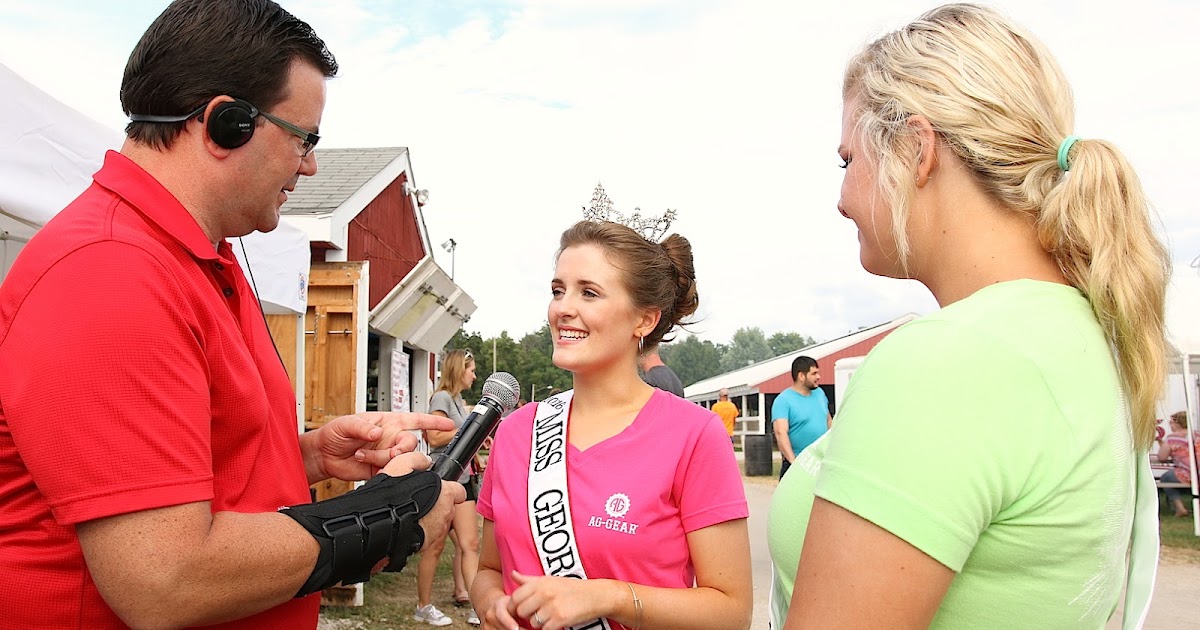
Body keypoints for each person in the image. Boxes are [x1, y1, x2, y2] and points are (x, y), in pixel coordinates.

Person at [0, 2, 462, 628]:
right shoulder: (112, 270)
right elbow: (165, 580)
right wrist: (392, 516)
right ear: (226, 124)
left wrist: (307, 456)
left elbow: (178, 478)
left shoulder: (193, 256)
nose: (311, 165)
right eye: (304, 137)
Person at [768, 4, 1170, 629]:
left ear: (916, 149)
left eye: (848, 161)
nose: (841, 198)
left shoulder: (951, 360)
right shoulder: (1084, 332)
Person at [472, 220, 753, 630]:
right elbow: (488, 571)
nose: (562, 307)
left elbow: (731, 612)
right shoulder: (517, 432)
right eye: (557, 290)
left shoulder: (694, 435)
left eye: (589, 292)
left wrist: (610, 596)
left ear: (645, 320)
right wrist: (492, 604)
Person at [418, 349, 484, 626]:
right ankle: (423, 606)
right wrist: (469, 432)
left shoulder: (458, 399)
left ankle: (477, 606)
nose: (474, 375)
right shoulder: (442, 397)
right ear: (459, 369)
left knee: (470, 543)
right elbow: (433, 437)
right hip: (444, 480)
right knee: (435, 547)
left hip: (465, 480)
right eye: (472, 370)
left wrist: (475, 451)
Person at [770, 356, 831, 479]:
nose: (818, 377)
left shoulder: (820, 394)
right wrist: (794, 463)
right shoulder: (783, 400)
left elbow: (829, 420)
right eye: (814, 373)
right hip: (798, 463)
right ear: (801, 376)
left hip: (822, 463)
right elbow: (781, 433)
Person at [1157, 411, 1196, 518]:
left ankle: (1180, 508)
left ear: (1178, 424)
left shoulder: (1172, 438)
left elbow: (1162, 457)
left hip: (1187, 474)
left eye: (1171, 422)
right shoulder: (1196, 435)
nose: (1170, 425)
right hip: (1197, 473)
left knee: (1166, 478)